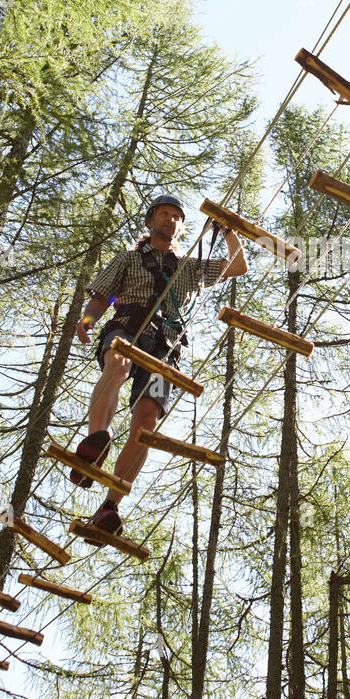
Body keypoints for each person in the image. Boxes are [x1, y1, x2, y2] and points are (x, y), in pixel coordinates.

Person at [71, 193, 246, 534]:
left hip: (166, 349)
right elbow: (101, 296)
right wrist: (89, 321)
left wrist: (225, 230)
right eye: (163, 214)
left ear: (181, 227)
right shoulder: (128, 259)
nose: (170, 219)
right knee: (117, 366)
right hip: (127, 328)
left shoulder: (192, 266)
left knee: (147, 422)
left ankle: (110, 505)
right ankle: (95, 442)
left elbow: (238, 266)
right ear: (151, 221)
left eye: (176, 216)